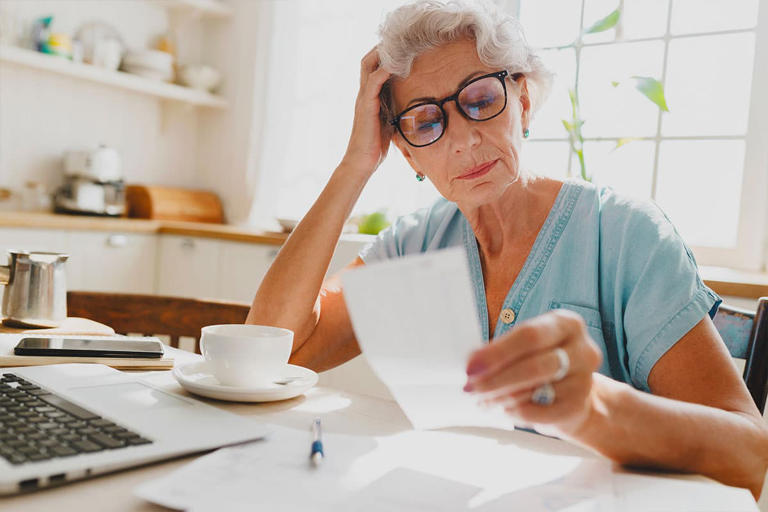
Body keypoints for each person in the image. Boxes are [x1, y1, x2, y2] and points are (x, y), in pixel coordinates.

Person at [247, 0, 768, 498]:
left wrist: (594, 407)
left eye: (479, 101)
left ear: (521, 100)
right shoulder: (415, 243)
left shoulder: (628, 235)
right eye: (427, 122)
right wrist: (354, 167)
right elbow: (271, 352)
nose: (464, 140)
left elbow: (748, 455)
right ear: (406, 152)